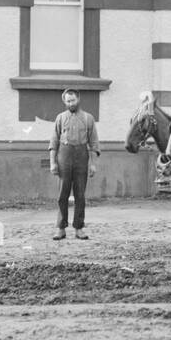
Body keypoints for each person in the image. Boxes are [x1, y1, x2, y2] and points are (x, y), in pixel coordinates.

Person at [48, 88, 99, 239]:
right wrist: (53, 163)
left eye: (73, 100)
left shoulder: (88, 118)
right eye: (67, 101)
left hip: (82, 155)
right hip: (64, 155)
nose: (70, 103)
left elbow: (94, 143)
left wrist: (92, 164)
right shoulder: (60, 118)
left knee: (80, 194)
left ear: (78, 99)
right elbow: (53, 142)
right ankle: (60, 228)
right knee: (62, 194)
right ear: (65, 102)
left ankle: (79, 227)